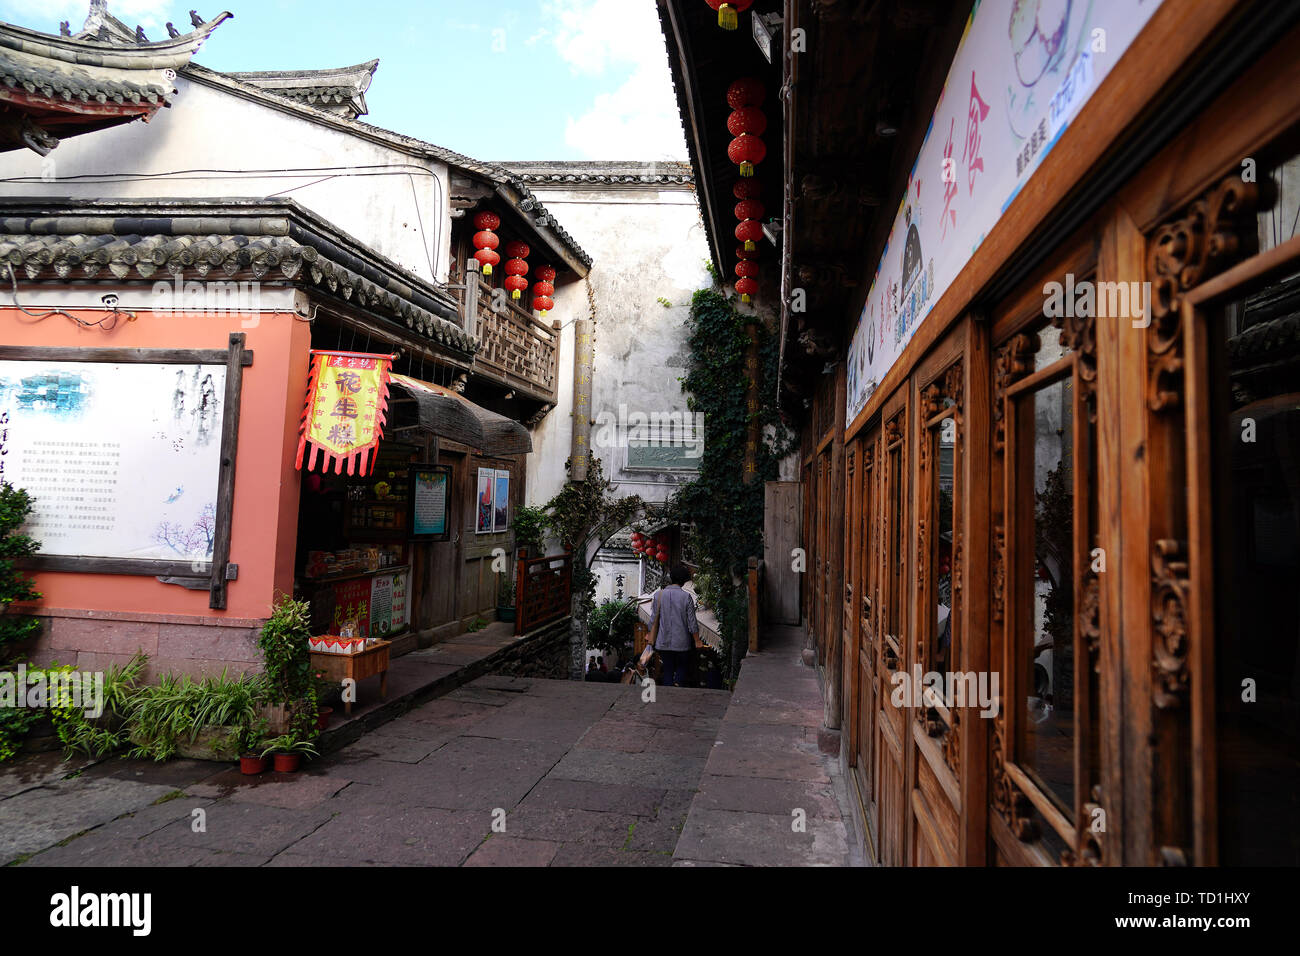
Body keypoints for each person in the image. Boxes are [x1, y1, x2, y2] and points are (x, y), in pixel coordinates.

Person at [648, 563, 699, 688]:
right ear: (684, 580)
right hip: (682, 643)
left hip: (663, 642)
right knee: (682, 667)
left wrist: (650, 633)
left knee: (668, 669)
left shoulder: (658, 595)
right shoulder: (686, 597)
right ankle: (677, 685)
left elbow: (654, 619)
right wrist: (697, 640)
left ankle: (668, 690)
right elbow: (692, 622)